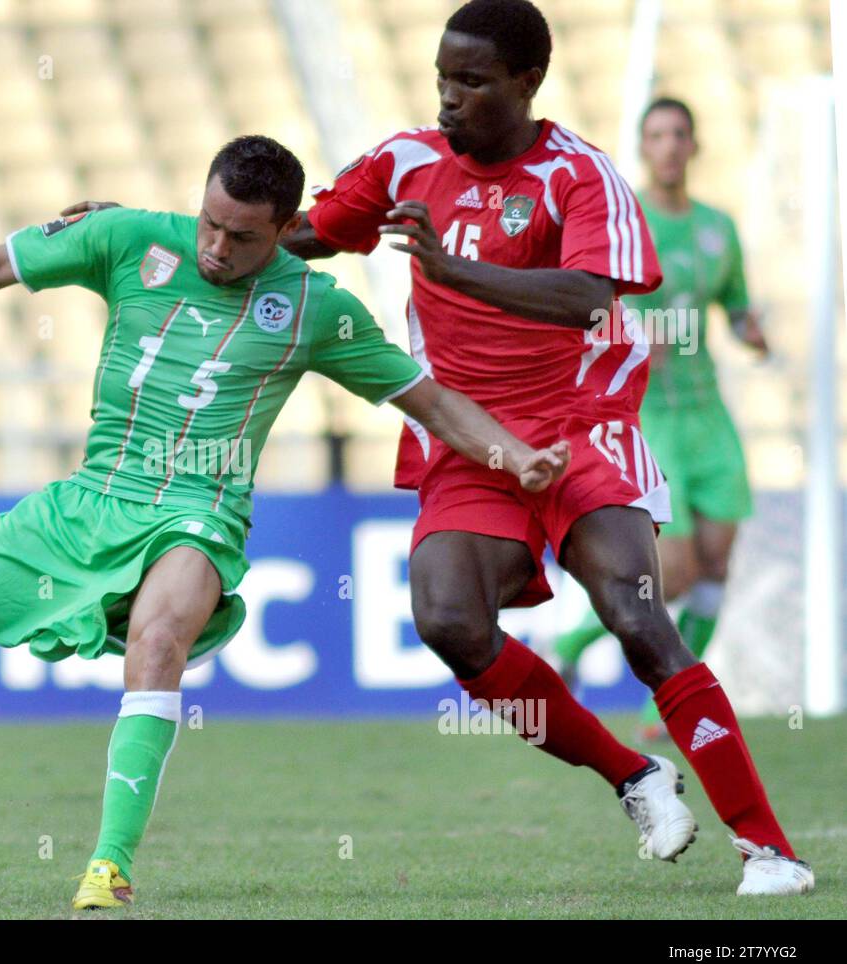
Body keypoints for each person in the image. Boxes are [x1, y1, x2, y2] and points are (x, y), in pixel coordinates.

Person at [0, 135, 569, 910]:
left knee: (158, 644)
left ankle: (108, 868)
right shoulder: (129, 237)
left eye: (243, 237)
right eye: (210, 223)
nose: (218, 247)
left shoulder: (316, 310)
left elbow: (426, 401)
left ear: (285, 227)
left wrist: (514, 455)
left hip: (199, 516)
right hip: (89, 500)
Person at [281, 0, 808, 895]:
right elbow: (299, 235)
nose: (449, 98)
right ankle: (634, 776)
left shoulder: (580, 174)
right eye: (443, 77)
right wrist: (173, 240)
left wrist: (452, 271)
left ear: (528, 83)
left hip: (580, 425)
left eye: (473, 81)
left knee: (640, 622)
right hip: (466, 438)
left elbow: (587, 298)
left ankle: (769, 850)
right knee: (448, 622)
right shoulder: (403, 160)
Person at [553, 97, 769, 742]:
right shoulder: (626, 219)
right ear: (644, 148)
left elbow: (734, 305)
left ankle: (664, 708)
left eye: (680, 134)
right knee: (671, 571)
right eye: (657, 136)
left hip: (710, 418)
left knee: (717, 563)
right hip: (648, 416)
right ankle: (573, 641)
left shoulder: (718, 228)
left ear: (694, 145)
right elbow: (588, 303)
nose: (669, 145)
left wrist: (750, 329)